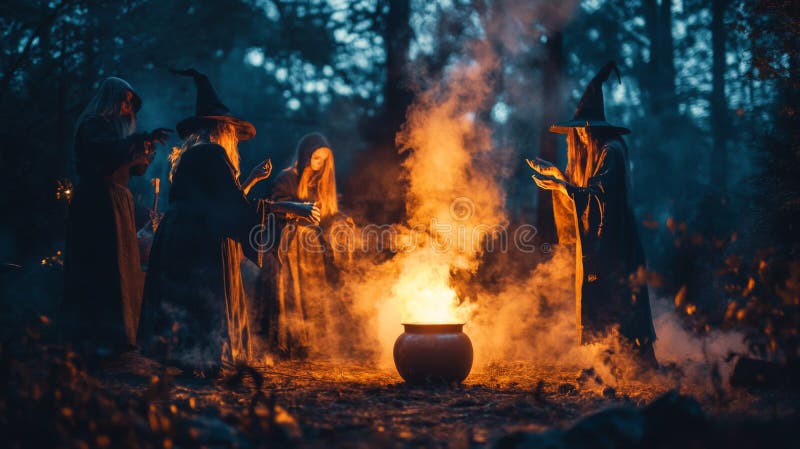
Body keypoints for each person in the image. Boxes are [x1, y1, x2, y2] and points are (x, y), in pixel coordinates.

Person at [138, 69, 319, 376]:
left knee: (188, 299)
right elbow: (231, 208)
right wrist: (288, 206)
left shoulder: (195, 153)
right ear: (221, 128)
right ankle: (204, 360)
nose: (235, 138)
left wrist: (249, 181)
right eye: (232, 131)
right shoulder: (212, 152)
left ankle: (189, 357)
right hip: (200, 239)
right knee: (204, 297)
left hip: (185, 235)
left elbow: (223, 200)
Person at [527, 61, 657, 369]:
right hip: (611, 244)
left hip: (618, 244)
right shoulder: (601, 151)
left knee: (622, 300)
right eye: (577, 133)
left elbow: (599, 197)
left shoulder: (611, 151)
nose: (580, 139)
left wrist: (559, 185)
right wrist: (558, 178)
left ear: (592, 129)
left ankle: (635, 365)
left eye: (583, 132)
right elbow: (586, 193)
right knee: (611, 298)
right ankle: (616, 362)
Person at [63, 77, 169, 357]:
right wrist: (140, 140)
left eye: (130, 104)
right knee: (101, 267)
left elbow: (134, 169)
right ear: (111, 99)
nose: (127, 107)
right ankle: (94, 338)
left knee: (121, 269)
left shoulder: (118, 137)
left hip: (117, 202)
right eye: (123, 100)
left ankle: (118, 338)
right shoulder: (93, 126)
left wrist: (145, 152)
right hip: (97, 203)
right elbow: (107, 154)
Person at [256, 132, 352, 359]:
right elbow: (276, 207)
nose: (318, 163)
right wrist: (298, 211)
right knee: (288, 294)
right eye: (315, 157)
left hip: (310, 251)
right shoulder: (286, 178)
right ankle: (283, 345)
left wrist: (341, 219)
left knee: (309, 295)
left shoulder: (321, 183)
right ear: (305, 154)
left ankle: (306, 345)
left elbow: (326, 215)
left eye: (323, 159)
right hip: (287, 247)